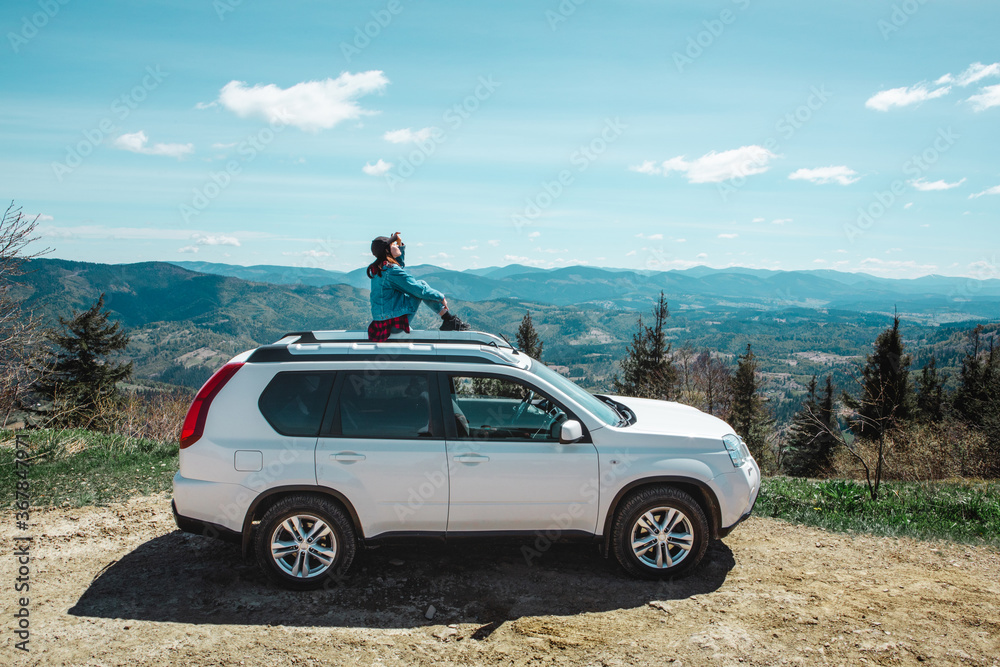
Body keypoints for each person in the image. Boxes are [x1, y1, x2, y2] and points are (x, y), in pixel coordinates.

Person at [366, 231, 470, 341]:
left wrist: (400, 245)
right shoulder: (391, 271)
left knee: (420, 286)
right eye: (393, 245)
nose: (396, 245)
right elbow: (418, 290)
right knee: (421, 285)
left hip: (382, 322)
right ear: (387, 250)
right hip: (393, 324)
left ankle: (449, 320)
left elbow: (398, 268)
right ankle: (449, 319)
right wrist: (440, 297)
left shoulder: (379, 269)